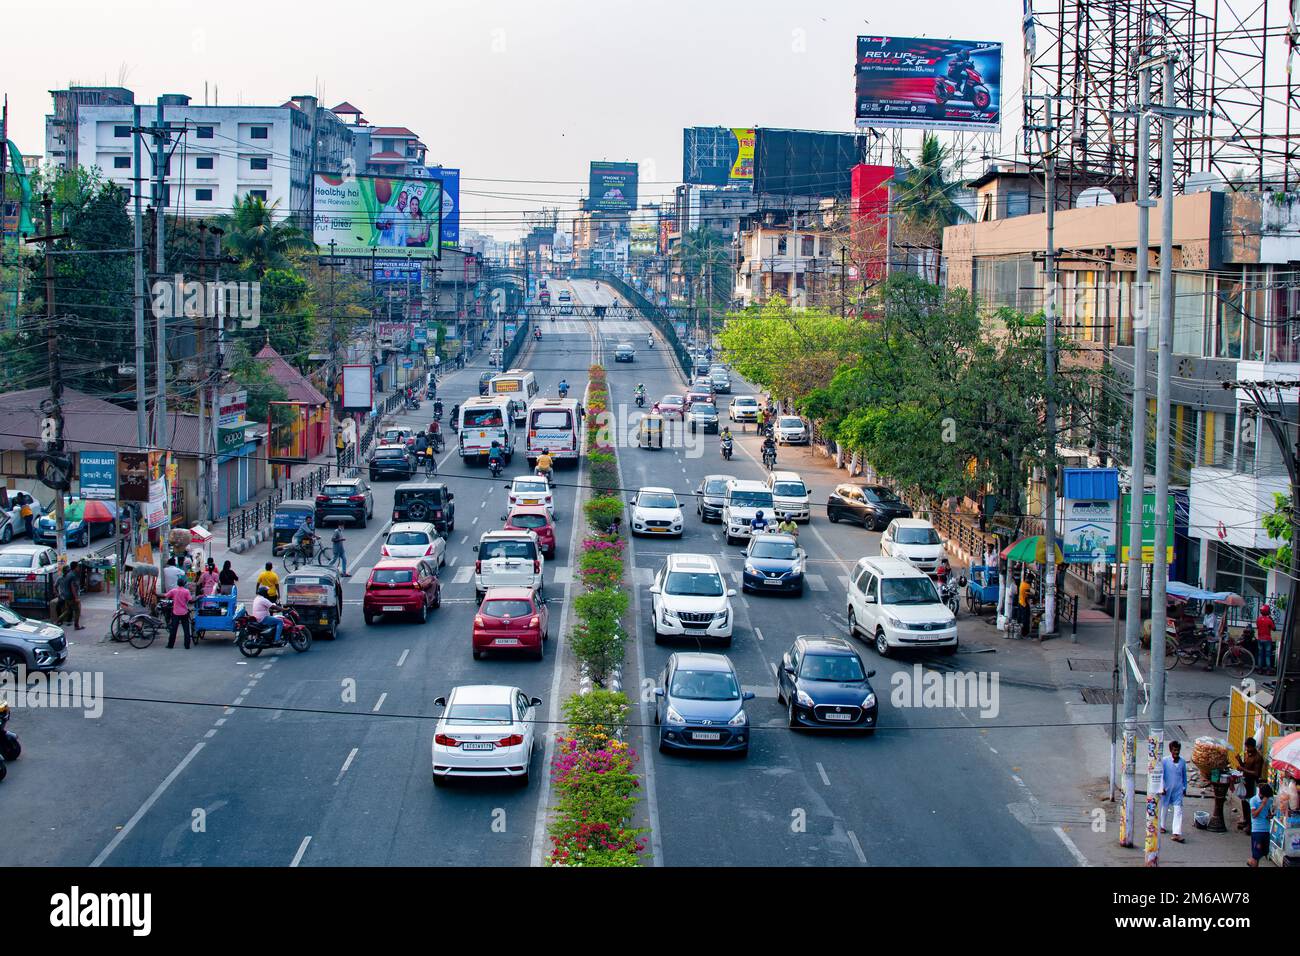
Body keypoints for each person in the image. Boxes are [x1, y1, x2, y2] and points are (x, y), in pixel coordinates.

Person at [1160, 741, 1188, 842]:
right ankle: (1162, 826)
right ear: (1170, 750)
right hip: (1166, 789)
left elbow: (1184, 776)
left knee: (1178, 810)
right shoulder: (1165, 761)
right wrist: (1161, 787)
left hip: (1178, 790)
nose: (1176, 752)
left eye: (1178, 750)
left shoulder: (1182, 762)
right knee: (1164, 807)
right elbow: (1161, 775)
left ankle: (1176, 832)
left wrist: (1185, 788)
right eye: (1174, 750)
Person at [1235, 737, 1265, 832]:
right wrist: (1240, 761)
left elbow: (1256, 773)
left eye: (1248, 747)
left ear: (1253, 746)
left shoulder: (1258, 757)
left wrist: (1243, 769)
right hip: (1245, 781)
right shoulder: (1248, 754)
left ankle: (1250, 824)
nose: (1247, 749)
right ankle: (1246, 819)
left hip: (1252, 783)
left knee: (1250, 803)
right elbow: (1245, 766)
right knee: (1244, 801)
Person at [1248, 783, 1274, 867]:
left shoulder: (1269, 800)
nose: (1268, 799)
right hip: (1257, 831)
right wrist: (1262, 804)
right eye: (1266, 797)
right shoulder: (1253, 800)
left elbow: (1269, 813)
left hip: (1266, 829)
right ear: (1261, 794)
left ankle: (1251, 862)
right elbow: (1254, 815)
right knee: (1256, 855)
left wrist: (1270, 815)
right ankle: (1252, 862)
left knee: (1264, 852)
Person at [164, 578, 193, 649]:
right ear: (184, 584)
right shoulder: (186, 591)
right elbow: (191, 600)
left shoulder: (174, 591)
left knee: (173, 630)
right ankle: (187, 645)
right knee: (186, 629)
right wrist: (198, 597)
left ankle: (170, 645)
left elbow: (165, 595)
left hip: (176, 612)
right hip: (184, 612)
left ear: (177, 584)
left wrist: (155, 594)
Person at [56, 561, 84, 630]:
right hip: (71, 596)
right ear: (75, 567)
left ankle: (58, 620)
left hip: (66, 595)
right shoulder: (72, 576)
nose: (78, 568)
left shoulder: (69, 574)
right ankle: (76, 626)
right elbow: (73, 588)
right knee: (77, 610)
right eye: (77, 567)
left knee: (68, 610)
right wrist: (76, 598)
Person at [1255, 604, 1277, 674]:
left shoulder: (1258, 619)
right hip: (1267, 639)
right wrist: (1272, 620)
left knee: (1260, 655)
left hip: (1260, 639)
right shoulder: (1269, 620)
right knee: (1268, 655)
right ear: (1268, 612)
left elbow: (1258, 627)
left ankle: (1259, 670)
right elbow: (1274, 629)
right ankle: (1268, 670)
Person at [1017, 570, 1034, 637]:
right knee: (1025, 619)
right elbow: (1028, 595)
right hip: (1024, 604)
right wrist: (1034, 597)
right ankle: (1024, 633)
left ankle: (1020, 631)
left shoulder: (1022, 583)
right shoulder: (1027, 586)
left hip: (1020, 602)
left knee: (1020, 618)